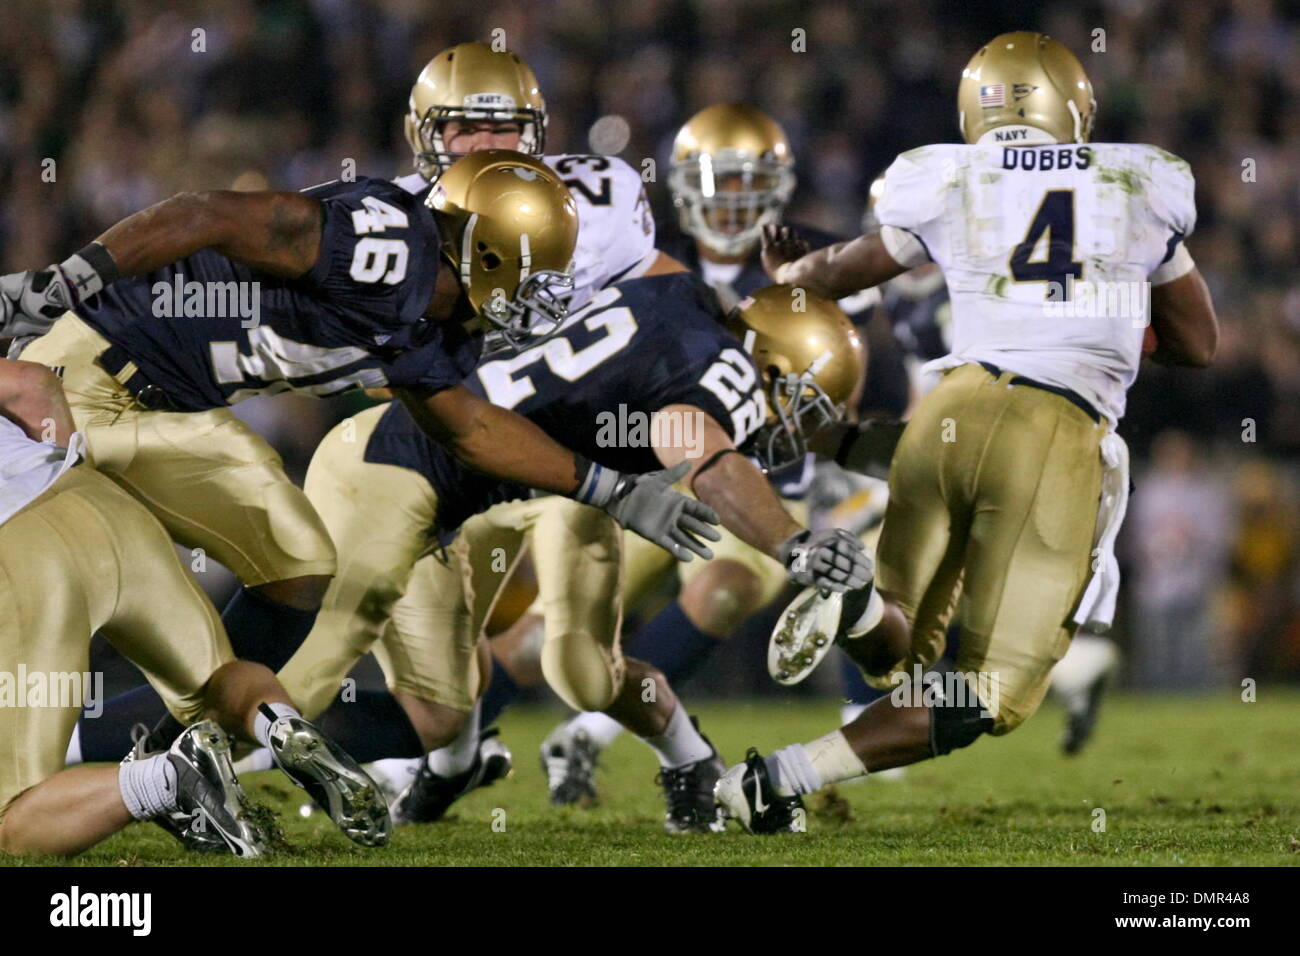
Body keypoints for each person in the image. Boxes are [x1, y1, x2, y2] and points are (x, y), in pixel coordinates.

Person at [2, 148, 716, 764]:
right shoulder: (390, 249)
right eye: (534, 268)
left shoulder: (445, 317)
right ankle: (119, 759)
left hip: (165, 405)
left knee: (296, 563)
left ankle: (176, 762)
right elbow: (208, 212)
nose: (545, 291)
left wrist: (609, 490)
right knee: (83, 582)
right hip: (94, 375)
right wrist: (68, 279)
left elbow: (467, 429)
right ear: (483, 247)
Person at [717, 31, 1219, 832]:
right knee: (985, 694)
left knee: (895, 648)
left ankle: (786, 746)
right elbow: (1199, 345)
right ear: (1073, 106)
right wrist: (1119, 305)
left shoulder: (945, 176)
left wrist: (789, 278)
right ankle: (785, 774)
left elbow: (843, 270)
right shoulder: (1137, 176)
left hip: (951, 409)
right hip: (1056, 427)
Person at [0, 358, 387, 855]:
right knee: (213, 682)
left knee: (11, 817)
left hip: (22, 553)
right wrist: (57, 467)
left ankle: (170, 777)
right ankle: (279, 724)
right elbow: (33, 382)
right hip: (97, 503)